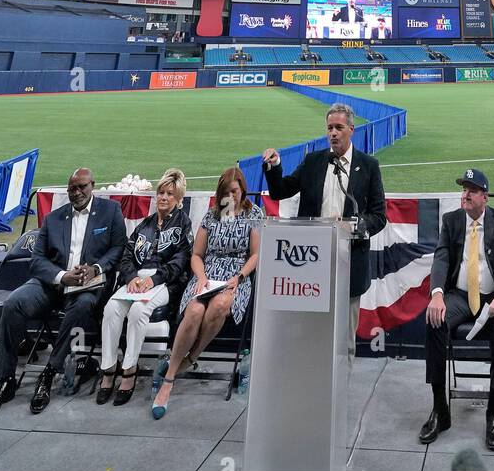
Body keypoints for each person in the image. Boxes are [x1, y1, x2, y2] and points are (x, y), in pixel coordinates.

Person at [0, 168, 127, 418]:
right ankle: (5, 380)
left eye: (82, 187)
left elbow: (118, 248)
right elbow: (36, 260)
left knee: (81, 306)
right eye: (72, 189)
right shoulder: (53, 218)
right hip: (53, 284)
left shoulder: (110, 212)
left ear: (93, 185)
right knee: (13, 303)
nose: (77, 192)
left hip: (89, 285)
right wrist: (61, 276)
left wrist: (95, 268)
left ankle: (50, 372)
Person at [263, 103, 386, 361]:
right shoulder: (312, 161)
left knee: (345, 340)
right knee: (310, 332)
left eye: (339, 128)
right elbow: (280, 191)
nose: (333, 133)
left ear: (351, 130)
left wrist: (353, 226)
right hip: (310, 263)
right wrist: (274, 167)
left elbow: (379, 216)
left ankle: (339, 395)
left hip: (349, 261)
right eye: (329, 128)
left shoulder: (369, 165)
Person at [151, 167, 261, 418]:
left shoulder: (253, 213)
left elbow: (255, 254)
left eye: (234, 191)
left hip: (236, 276)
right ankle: (169, 379)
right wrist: (200, 278)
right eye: (226, 192)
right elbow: (197, 255)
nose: (230, 197)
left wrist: (239, 277)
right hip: (208, 273)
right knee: (195, 309)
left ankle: (190, 358)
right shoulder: (212, 215)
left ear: (242, 189)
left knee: (220, 305)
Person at [419, 168, 494, 452]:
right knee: (434, 320)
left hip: (492, 298)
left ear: (484, 196)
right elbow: (440, 259)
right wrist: (436, 294)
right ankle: (440, 409)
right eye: (464, 190)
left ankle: (493, 412)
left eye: (472, 191)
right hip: (459, 297)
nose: (466, 195)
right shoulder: (451, 221)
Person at [97, 168, 193, 405]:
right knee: (111, 309)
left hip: (164, 282)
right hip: (137, 280)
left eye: (170, 194)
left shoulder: (184, 224)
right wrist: (130, 277)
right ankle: (108, 369)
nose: (163, 197)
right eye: (161, 192)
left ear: (179, 199)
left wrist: (154, 279)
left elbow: (181, 261)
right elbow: (127, 255)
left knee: (139, 310)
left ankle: (129, 370)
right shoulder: (145, 225)